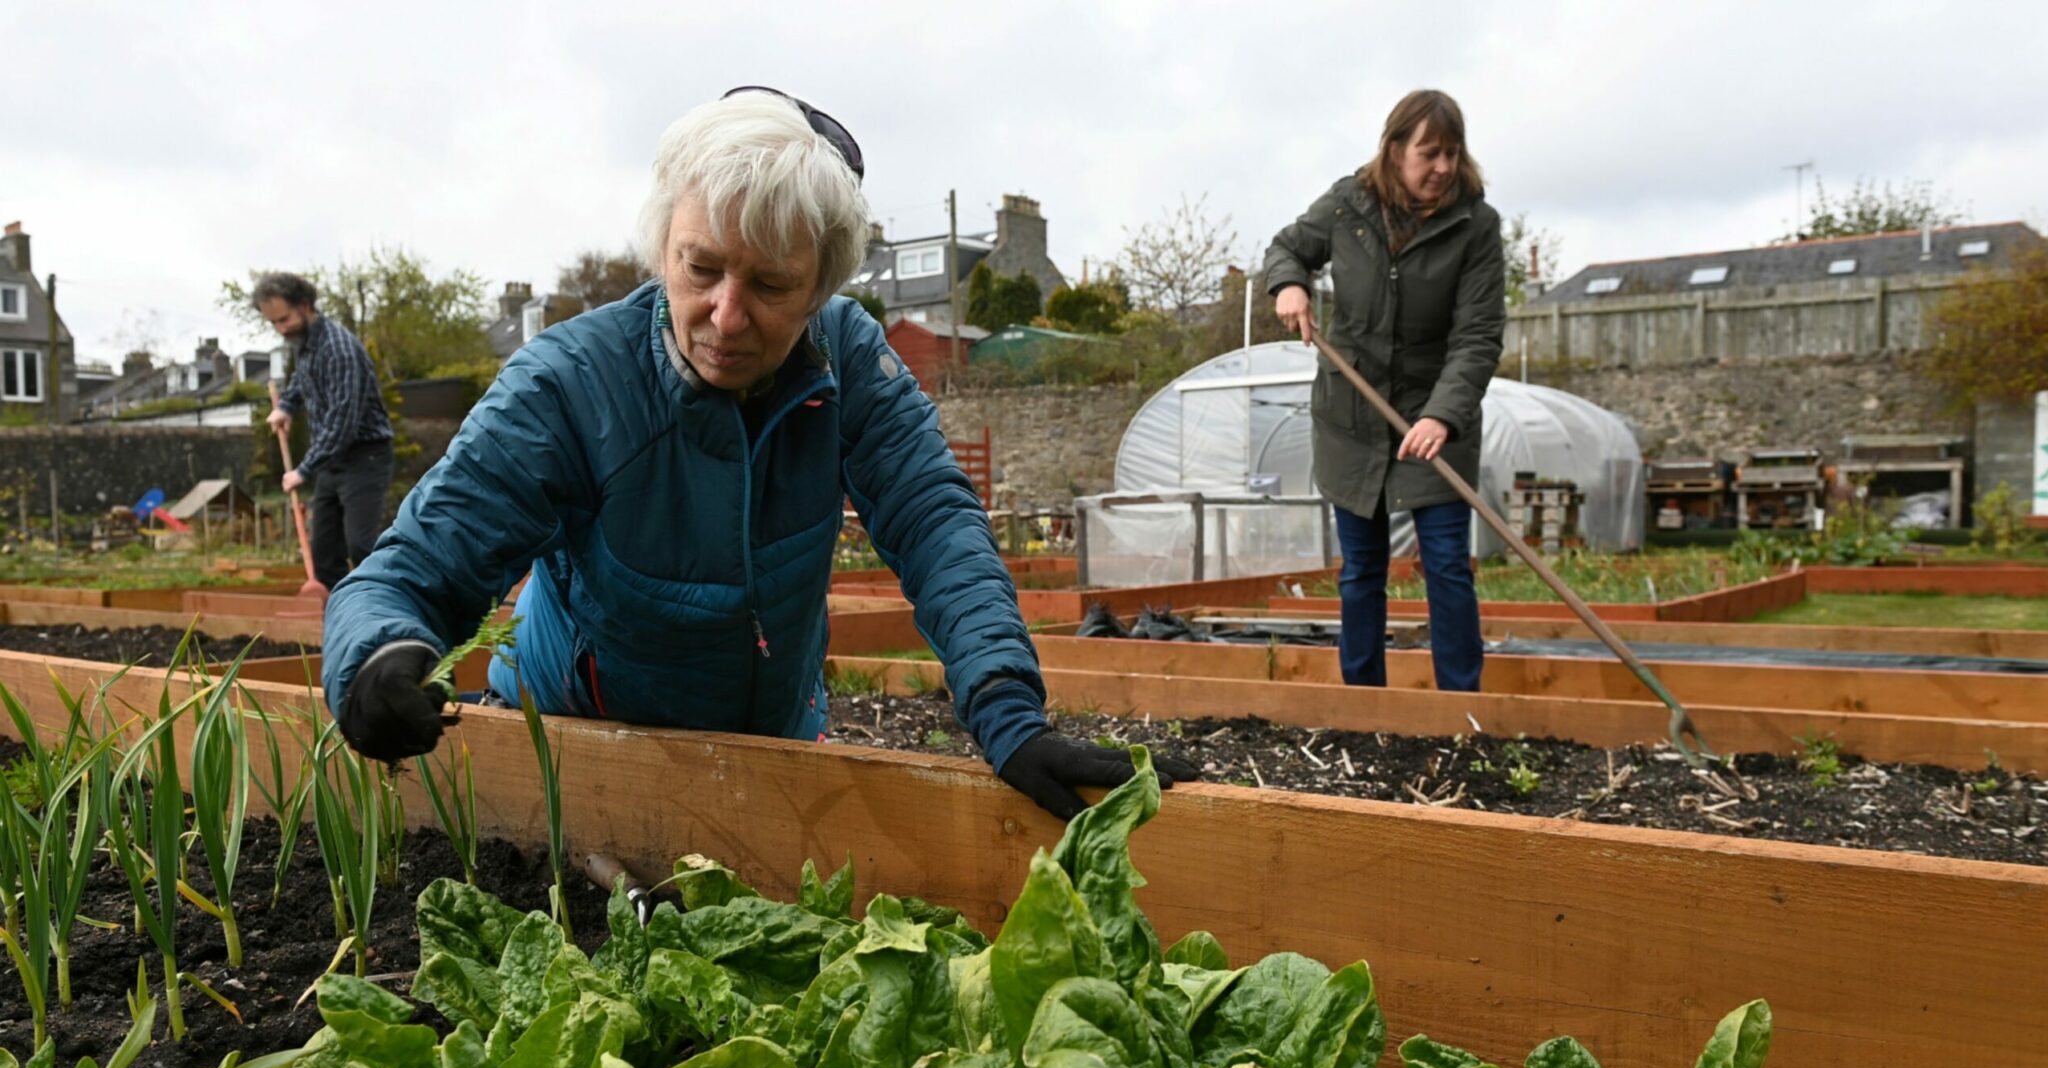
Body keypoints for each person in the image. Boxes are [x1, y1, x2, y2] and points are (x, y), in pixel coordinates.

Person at [320, 88, 1191, 821]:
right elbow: (412, 571)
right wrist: (376, 660)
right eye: (701, 270)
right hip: (574, 748)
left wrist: (1008, 710)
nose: (726, 318)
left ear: (822, 287)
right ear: (664, 247)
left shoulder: (848, 359)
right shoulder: (570, 385)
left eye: (771, 286)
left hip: (771, 749)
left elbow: (933, 520)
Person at [1262, 88, 1505, 693]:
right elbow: (1288, 247)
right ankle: (1363, 701)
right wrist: (1289, 285)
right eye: (1429, 153)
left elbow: (1477, 335)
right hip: (1354, 419)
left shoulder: (1476, 225)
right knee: (1362, 569)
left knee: (1447, 566)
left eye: (1452, 153)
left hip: (1434, 420)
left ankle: (1459, 706)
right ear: (1395, 149)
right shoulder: (1350, 204)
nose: (1443, 167)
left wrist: (1442, 417)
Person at [256, 272, 395, 592]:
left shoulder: (339, 348)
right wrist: (286, 406)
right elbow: (302, 380)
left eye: (285, 319)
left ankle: (385, 612)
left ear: (305, 305)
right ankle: (337, 621)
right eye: (274, 323)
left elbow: (342, 422)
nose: (281, 328)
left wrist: (303, 471)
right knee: (324, 555)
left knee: (361, 546)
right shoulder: (304, 345)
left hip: (364, 456)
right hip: (332, 461)